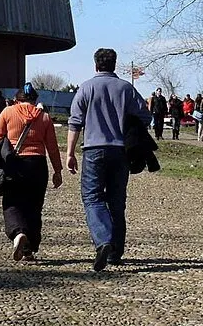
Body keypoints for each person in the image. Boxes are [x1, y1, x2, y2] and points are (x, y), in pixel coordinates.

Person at [67, 47, 151, 271]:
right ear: (114, 65)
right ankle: (115, 252)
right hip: (120, 150)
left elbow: (75, 123)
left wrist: (70, 153)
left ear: (96, 65)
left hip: (93, 148)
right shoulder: (126, 89)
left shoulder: (86, 88)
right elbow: (145, 116)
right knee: (117, 201)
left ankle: (103, 239)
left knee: (92, 197)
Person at [0, 83, 63, 261]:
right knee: (34, 206)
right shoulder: (44, 117)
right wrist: (57, 170)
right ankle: (29, 248)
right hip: (38, 165)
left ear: (17, 99)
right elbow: (52, 147)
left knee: (12, 202)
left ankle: (18, 233)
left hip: (14, 163)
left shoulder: (8, 112)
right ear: (35, 100)